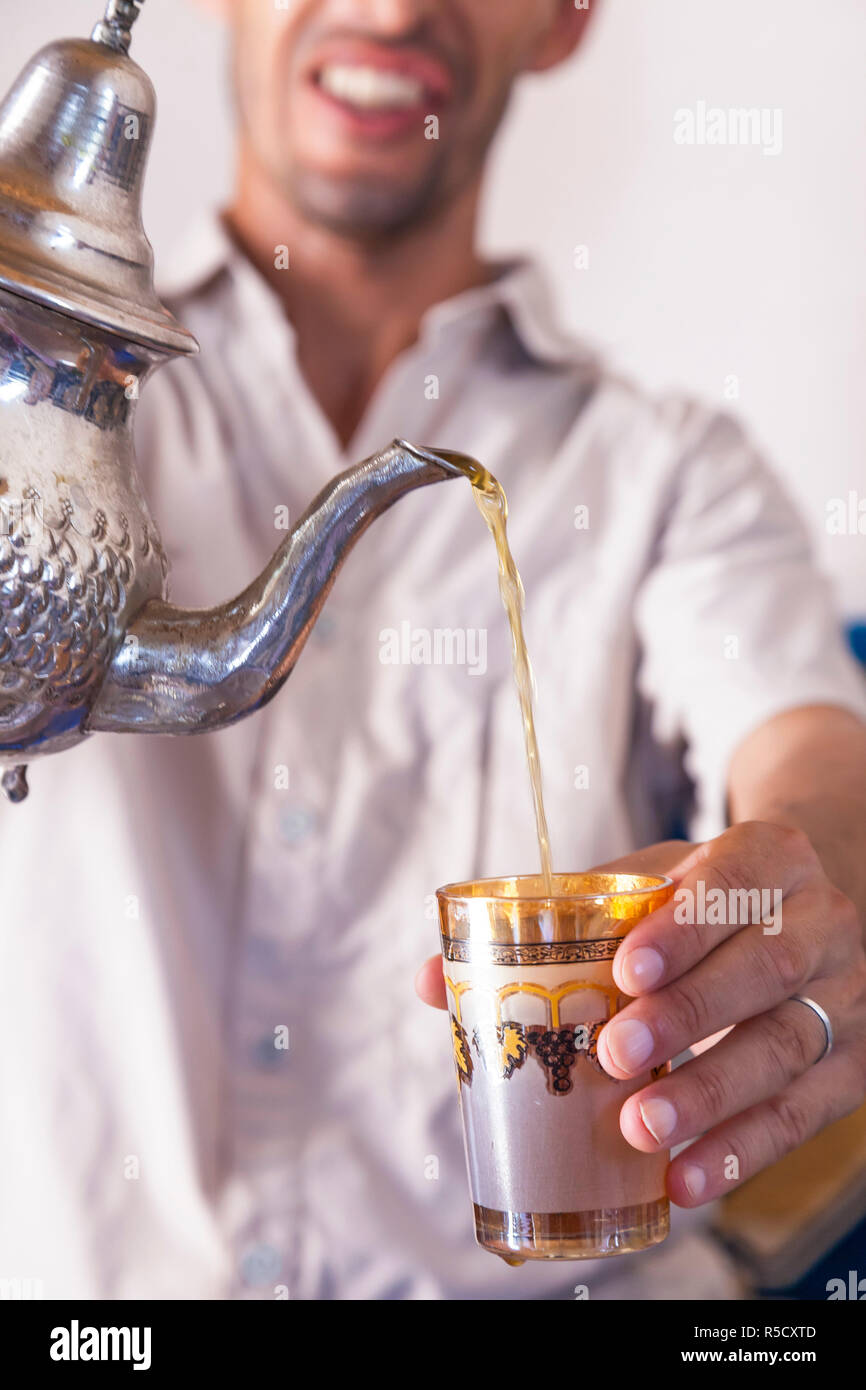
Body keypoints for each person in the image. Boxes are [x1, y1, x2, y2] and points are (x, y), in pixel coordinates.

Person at [1, 0, 864, 1301]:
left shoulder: (665, 474)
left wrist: (815, 877)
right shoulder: (44, 389)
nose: (395, 4)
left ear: (565, 19)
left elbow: (811, 752)